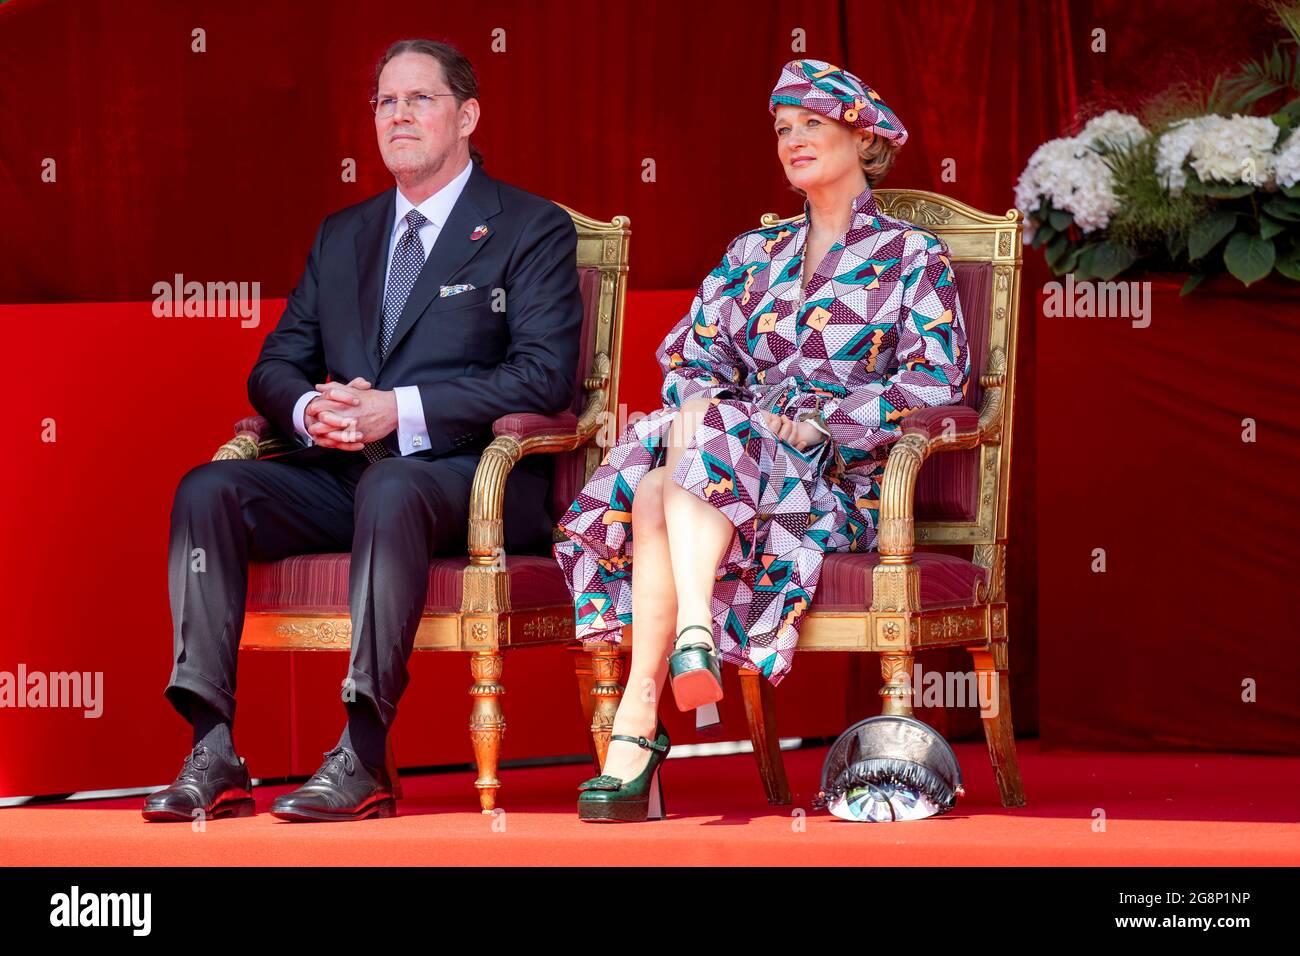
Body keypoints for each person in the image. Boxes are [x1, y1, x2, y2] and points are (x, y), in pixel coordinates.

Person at [144, 38, 583, 823]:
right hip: (349, 473)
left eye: (420, 99)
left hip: (474, 478)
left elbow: (544, 378)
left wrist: (400, 407)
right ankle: (213, 749)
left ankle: (363, 751)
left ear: (468, 115)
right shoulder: (344, 234)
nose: (399, 115)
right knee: (209, 488)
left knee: (392, 482)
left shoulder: (528, 227)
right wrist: (313, 411)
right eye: (386, 101)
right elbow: (276, 363)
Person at [554, 58, 971, 822]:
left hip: (835, 490)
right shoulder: (754, 254)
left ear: (864, 135)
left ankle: (644, 722)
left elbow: (937, 386)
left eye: (813, 123)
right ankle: (664, 679)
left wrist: (820, 422)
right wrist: (735, 418)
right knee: (681, 451)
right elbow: (687, 360)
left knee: (663, 478)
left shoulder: (912, 256)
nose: (794, 140)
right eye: (784, 129)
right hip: (725, 475)